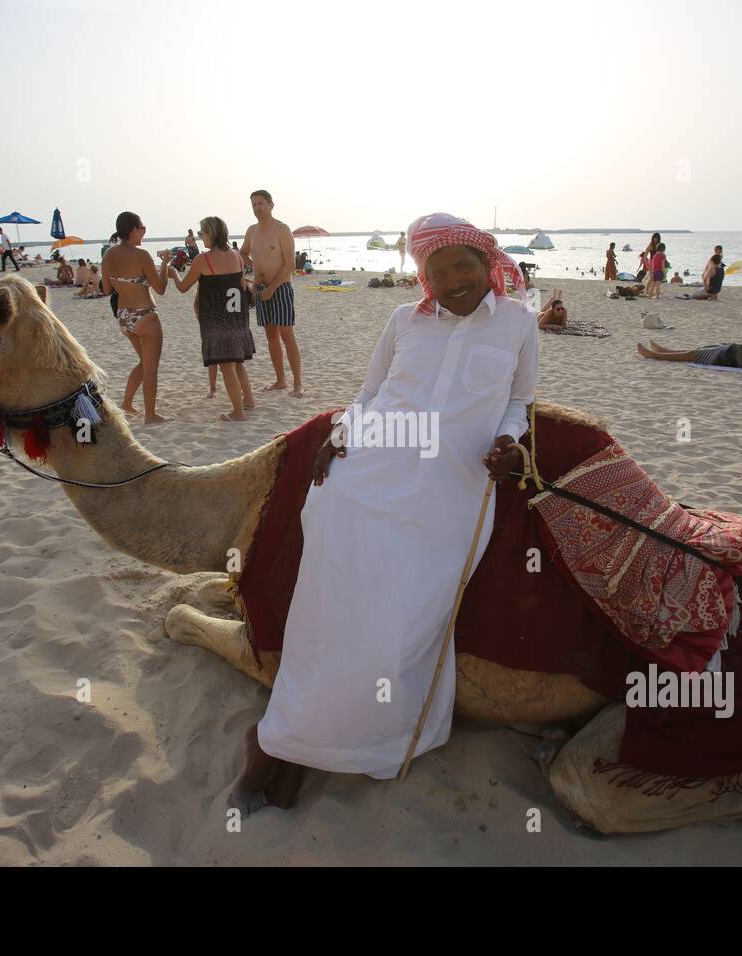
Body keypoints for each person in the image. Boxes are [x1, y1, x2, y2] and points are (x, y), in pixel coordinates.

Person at [230, 212, 537, 813]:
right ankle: (282, 746)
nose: (454, 281)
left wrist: (510, 442)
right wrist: (342, 433)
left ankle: (315, 747)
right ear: (422, 276)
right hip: (368, 477)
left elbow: (519, 400)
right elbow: (370, 395)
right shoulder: (403, 321)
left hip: (451, 493)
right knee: (330, 617)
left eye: (464, 266)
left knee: (397, 633)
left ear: (486, 263)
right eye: (438, 270)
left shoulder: (520, 323)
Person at [171, 216, 258, 422]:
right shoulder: (237, 256)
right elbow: (241, 286)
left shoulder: (204, 259)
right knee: (238, 362)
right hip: (238, 318)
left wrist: (173, 274)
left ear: (212, 233)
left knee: (227, 366)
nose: (201, 238)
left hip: (218, 320)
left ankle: (238, 411)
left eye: (202, 233)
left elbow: (183, 287)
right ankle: (249, 401)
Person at [101, 211, 171, 424]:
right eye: (142, 228)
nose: (144, 231)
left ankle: (127, 404)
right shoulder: (141, 255)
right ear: (133, 231)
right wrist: (165, 265)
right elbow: (160, 288)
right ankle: (150, 414)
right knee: (151, 368)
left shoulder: (108, 255)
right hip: (145, 315)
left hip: (124, 316)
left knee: (143, 362)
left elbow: (106, 290)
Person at [240, 189, 303, 396]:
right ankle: (280, 380)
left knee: (287, 334)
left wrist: (273, 287)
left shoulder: (282, 229)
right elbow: (243, 253)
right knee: (271, 335)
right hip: (260, 288)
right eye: (254, 204)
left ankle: (297, 384)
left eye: (261, 203)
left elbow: (289, 264)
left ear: (270, 205)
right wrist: (254, 269)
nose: (257, 207)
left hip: (281, 288)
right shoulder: (252, 231)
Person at [636, 319, 742, 375]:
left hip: (736, 358)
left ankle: (655, 355)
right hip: (738, 351)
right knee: (702, 349)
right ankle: (664, 351)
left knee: (693, 355)